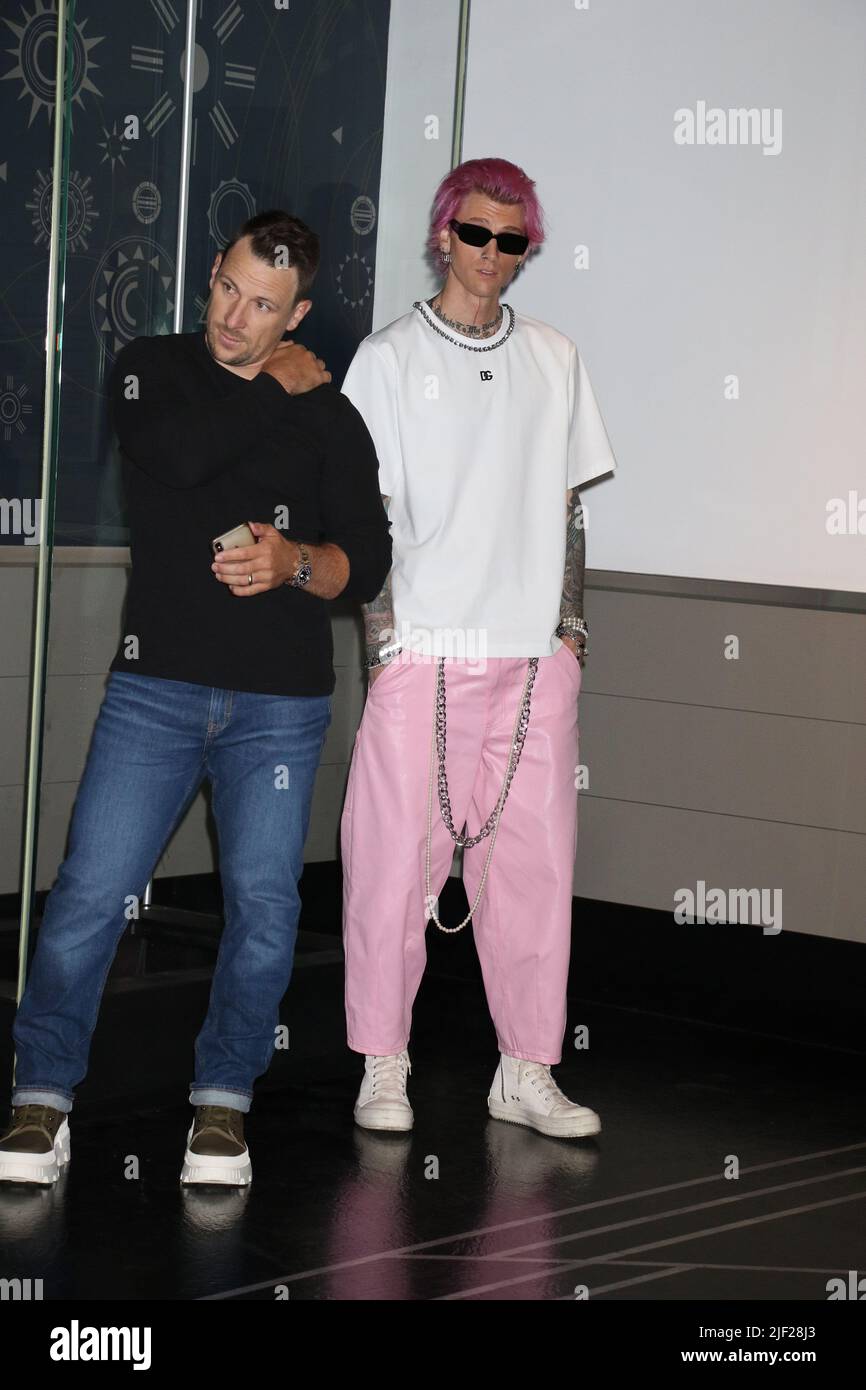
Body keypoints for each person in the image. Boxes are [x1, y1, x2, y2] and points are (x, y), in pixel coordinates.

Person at [0, 209, 391, 1186]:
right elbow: (177, 456)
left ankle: (223, 1107)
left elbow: (368, 563)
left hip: (281, 706)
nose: (233, 317)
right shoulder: (151, 366)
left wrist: (296, 561)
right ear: (210, 273)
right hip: (155, 692)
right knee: (90, 892)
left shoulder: (331, 417)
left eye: (263, 306)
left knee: (263, 907)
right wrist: (272, 383)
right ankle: (41, 1098)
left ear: (294, 311)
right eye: (227, 287)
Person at [340, 157, 616, 1138]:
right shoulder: (384, 358)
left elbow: (569, 507)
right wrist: (382, 647)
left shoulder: (553, 357)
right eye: (475, 233)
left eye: (511, 240)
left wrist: (571, 632)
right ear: (441, 232)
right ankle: (382, 1060)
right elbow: (361, 513)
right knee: (387, 866)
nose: (490, 255)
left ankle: (526, 1069)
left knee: (535, 874)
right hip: (424, 652)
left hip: (534, 659)